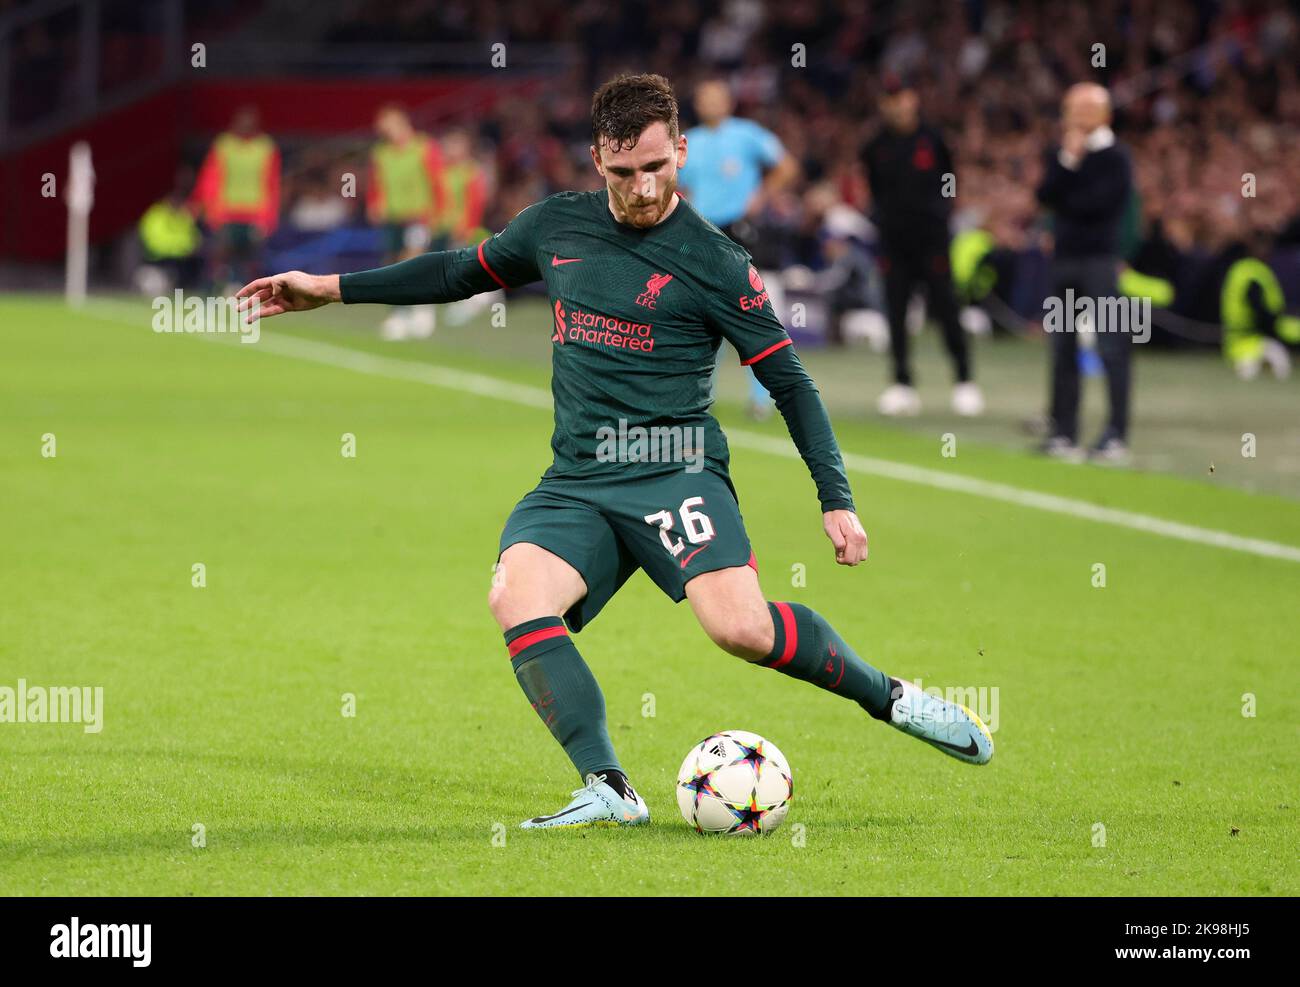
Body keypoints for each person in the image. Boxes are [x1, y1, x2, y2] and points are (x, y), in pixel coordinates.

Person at [237, 74, 993, 830]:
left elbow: (791, 384)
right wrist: (330, 288)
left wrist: (836, 497)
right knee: (516, 597)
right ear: (597, 157)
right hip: (578, 478)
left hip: (676, 469)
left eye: (657, 167)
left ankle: (888, 695)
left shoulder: (718, 262)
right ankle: (608, 786)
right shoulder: (555, 227)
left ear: (681, 151)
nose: (641, 186)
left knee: (741, 630)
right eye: (624, 170)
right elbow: (455, 272)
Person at [862, 75, 983, 417]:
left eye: (902, 96)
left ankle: (964, 381)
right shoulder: (875, 146)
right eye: (889, 98)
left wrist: (939, 216)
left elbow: (950, 181)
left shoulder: (933, 139)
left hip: (932, 242)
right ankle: (902, 384)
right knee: (897, 314)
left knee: (947, 310)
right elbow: (875, 191)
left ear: (913, 99)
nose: (897, 104)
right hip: (893, 244)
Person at [680, 78, 798, 420]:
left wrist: (760, 196)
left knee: (752, 312)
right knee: (701, 315)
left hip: (742, 231)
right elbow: (676, 185)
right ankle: (701, 395)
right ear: (698, 104)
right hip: (703, 231)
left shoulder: (747, 134)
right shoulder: (689, 142)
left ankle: (761, 398)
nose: (712, 103)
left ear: (728, 101)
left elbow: (786, 166)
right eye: (706, 98)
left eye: (718, 97)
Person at [1035, 83, 1134, 463]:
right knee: (1062, 346)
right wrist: (1068, 161)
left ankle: (1116, 433)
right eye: (1071, 107)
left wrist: (1068, 187)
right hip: (1065, 262)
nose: (1075, 116)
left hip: (1100, 261)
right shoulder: (1063, 154)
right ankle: (1063, 430)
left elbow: (1097, 205)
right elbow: (1045, 196)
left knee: (1112, 346)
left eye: (1085, 109)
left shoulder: (1116, 156)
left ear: (1104, 114)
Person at [366, 105, 444, 340]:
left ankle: (416, 312)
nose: (382, 130)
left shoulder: (424, 147)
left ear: (400, 121)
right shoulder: (381, 152)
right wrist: (374, 203)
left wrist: (437, 212)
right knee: (391, 263)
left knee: (411, 261)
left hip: (418, 215)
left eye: (386, 124)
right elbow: (376, 182)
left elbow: (436, 181)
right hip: (392, 216)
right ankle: (404, 313)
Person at [189, 106, 280, 293]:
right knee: (220, 255)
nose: (245, 126)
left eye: (250, 123)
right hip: (226, 211)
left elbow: (273, 183)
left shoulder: (266, 147)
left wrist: (268, 218)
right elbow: (209, 177)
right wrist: (207, 207)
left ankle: (246, 294)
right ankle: (210, 293)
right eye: (242, 122)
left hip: (255, 212)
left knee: (249, 259)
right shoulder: (224, 144)